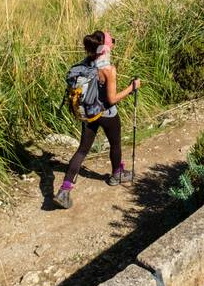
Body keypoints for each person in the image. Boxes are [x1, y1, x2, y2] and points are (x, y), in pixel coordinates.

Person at [55, 29, 140, 210]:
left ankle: (64, 189)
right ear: (105, 48)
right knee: (115, 144)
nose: (113, 44)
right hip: (107, 115)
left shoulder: (86, 64)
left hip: (88, 114)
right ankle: (117, 173)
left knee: (82, 151)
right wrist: (132, 88)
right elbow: (112, 99)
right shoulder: (108, 69)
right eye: (111, 42)